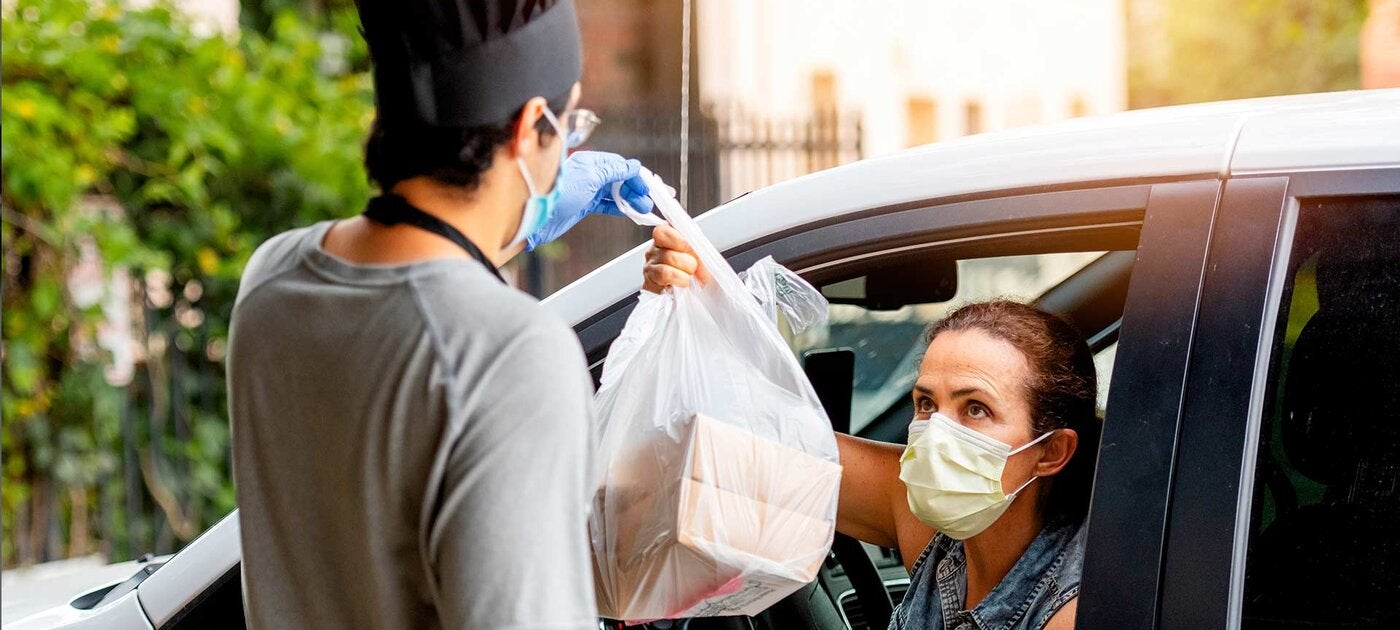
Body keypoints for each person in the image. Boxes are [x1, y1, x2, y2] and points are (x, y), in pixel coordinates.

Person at [227, 1, 648, 628]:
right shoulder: (512, 356)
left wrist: (511, 232)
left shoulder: (273, 278)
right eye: (569, 126)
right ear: (532, 124)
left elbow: (421, 281)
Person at [642, 226, 1102, 630]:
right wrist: (700, 310)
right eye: (926, 404)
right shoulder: (931, 523)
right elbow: (760, 449)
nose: (937, 435)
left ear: (1052, 451)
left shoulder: (1069, 611)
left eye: (975, 409)